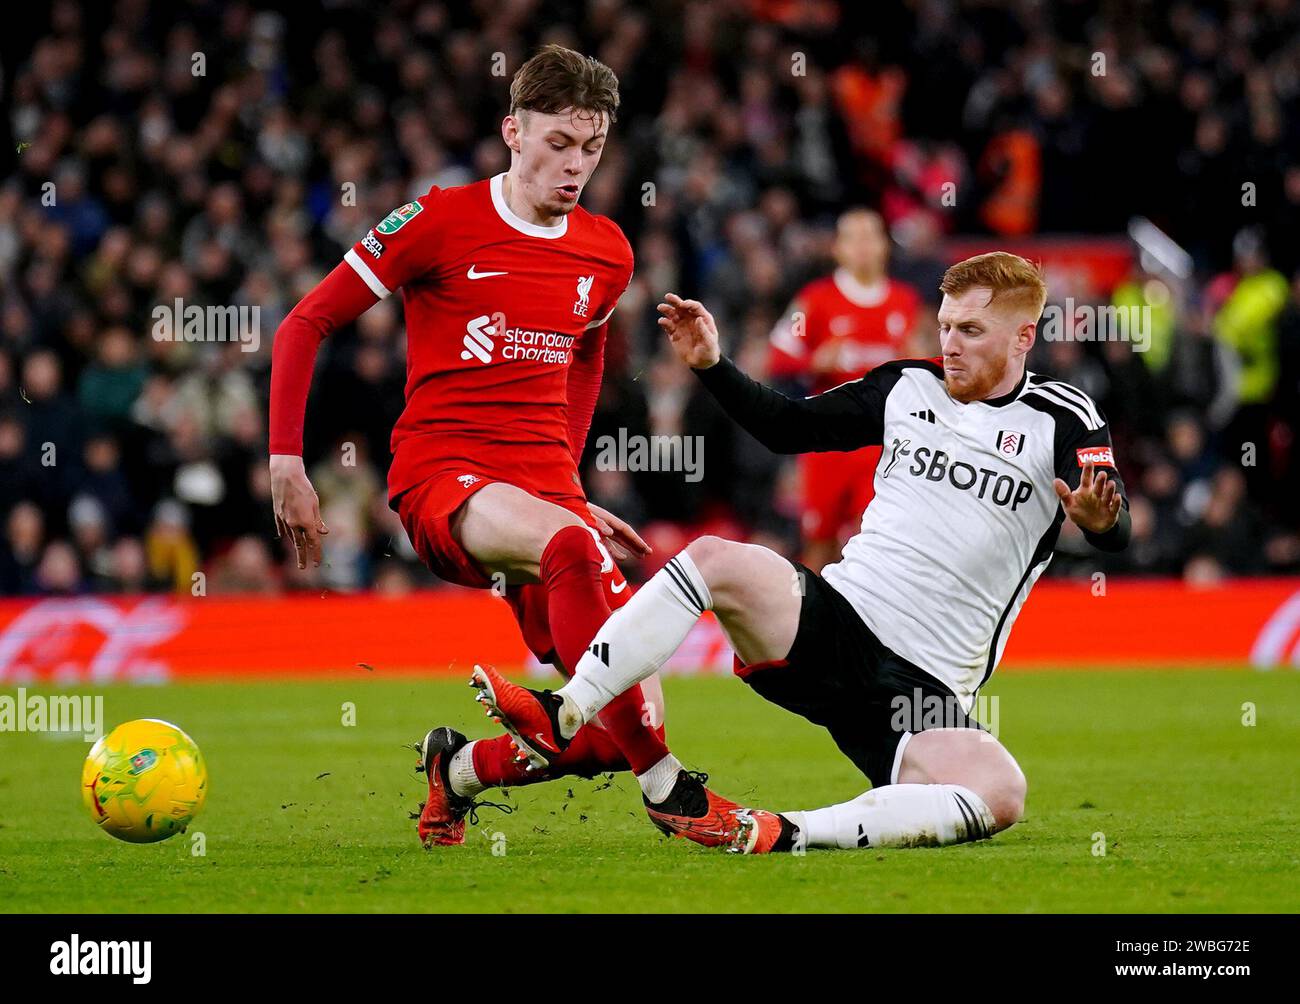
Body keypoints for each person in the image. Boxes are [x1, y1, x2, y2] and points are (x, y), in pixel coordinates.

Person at [472, 251, 1131, 852]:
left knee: (1002, 792)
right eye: (946, 326)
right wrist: (712, 366)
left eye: (970, 332)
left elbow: (1114, 523)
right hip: (832, 622)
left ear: (1023, 337)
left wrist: (1102, 522)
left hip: (920, 690)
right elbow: (789, 428)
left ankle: (779, 833)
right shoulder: (907, 386)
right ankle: (569, 708)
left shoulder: (1064, 416)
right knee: (715, 558)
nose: (949, 345)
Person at [268, 45, 744, 849]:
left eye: (590, 150)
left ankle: (455, 771)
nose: (575, 166)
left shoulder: (606, 251)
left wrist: (567, 479)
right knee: (578, 577)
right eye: (558, 144)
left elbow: (588, 352)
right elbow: (302, 322)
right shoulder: (437, 221)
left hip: (539, 495)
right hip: (442, 478)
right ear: (512, 132)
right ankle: (673, 792)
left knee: (617, 719)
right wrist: (286, 461)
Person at [768, 208, 920, 571]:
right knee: (818, 540)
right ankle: (811, 620)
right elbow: (777, 356)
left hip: (882, 443)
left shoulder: (905, 301)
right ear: (838, 248)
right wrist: (814, 362)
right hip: (827, 442)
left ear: (885, 246)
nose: (864, 246)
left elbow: (925, 361)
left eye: (872, 236)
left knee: (873, 542)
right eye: (854, 237)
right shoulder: (816, 300)